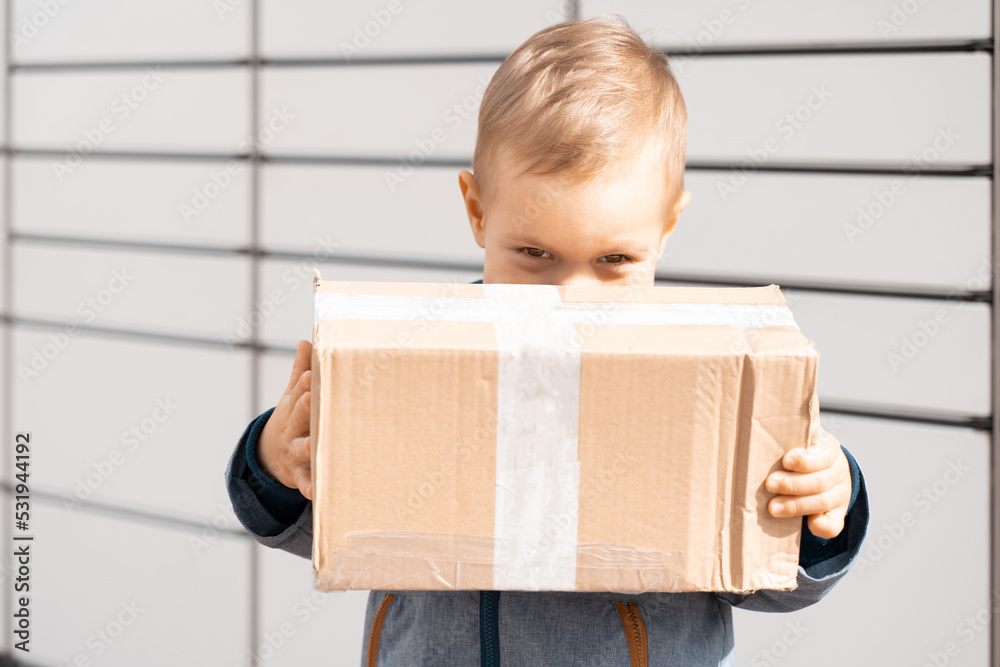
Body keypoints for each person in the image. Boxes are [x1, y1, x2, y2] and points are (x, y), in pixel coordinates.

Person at [225, 14, 869, 666]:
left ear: (666, 226)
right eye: (535, 253)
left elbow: (770, 577)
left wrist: (820, 511)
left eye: (614, 260)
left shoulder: (713, 381)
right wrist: (279, 464)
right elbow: (335, 527)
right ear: (478, 211)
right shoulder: (418, 357)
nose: (572, 296)